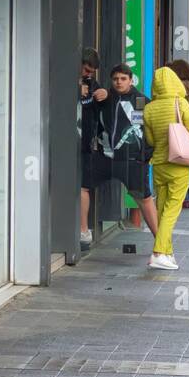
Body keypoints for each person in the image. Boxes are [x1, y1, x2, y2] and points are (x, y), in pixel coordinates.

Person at [80, 64, 160, 248]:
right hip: (105, 157)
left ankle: (161, 242)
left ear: (131, 80)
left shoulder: (140, 100)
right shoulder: (104, 97)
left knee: (144, 199)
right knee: (82, 186)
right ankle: (83, 232)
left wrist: (145, 155)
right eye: (115, 79)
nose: (119, 82)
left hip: (131, 160)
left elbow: (144, 129)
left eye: (123, 79)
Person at [142, 67, 189, 270]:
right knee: (171, 211)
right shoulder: (180, 102)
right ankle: (159, 253)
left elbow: (150, 139)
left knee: (161, 208)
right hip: (178, 164)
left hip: (158, 164)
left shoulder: (149, 108)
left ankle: (167, 253)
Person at [166, 60, 189, 210]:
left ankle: (186, 198)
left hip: (179, 127)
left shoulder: (178, 88)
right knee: (188, 164)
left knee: (180, 164)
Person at [77, 48, 104, 248]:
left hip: (86, 143)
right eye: (86, 70)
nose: (87, 75)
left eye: (91, 72)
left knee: (83, 186)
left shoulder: (93, 86)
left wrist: (103, 94)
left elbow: (97, 109)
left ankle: (83, 230)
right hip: (66, 140)